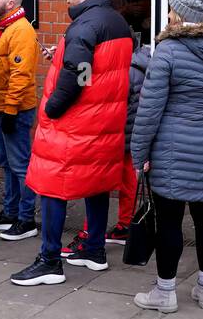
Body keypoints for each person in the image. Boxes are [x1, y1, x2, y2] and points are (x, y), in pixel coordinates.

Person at [12, 0, 134, 287]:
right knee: (96, 184)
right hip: (104, 122)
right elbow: (96, 67)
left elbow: (79, 72)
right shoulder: (117, 22)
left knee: (53, 184)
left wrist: (53, 106)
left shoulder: (85, 25)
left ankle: (49, 261)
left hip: (74, 122)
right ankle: (94, 250)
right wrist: (62, 54)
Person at [131, 0, 203, 313]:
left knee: (170, 221)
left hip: (173, 151)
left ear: (179, 15)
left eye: (169, 11)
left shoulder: (167, 54)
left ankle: (165, 294)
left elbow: (149, 110)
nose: (166, 15)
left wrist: (139, 153)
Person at [62, 33, 152, 255]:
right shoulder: (141, 65)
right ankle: (124, 225)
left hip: (113, 134)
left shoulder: (121, 69)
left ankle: (89, 235)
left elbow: (93, 93)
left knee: (96, 183)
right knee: (129, 181)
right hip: (132, 134)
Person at [0, 0, 41, 242]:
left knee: (20, 165)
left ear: (11, 4)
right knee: (7, 164)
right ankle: (10, 211)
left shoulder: (20, 31)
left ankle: (26, 219)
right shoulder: (2, 28)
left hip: (15, 108)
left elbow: (21, 75)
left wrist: (12, 110)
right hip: (2, 106)